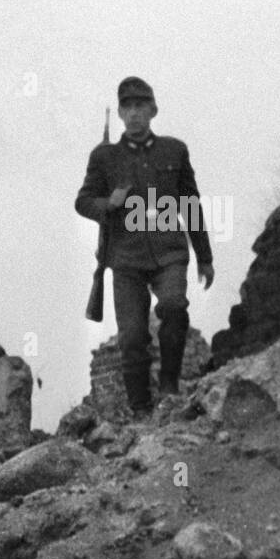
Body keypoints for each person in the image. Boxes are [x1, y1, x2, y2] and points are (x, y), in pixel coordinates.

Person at [75, 76, 216, 417]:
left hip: (170, 251)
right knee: (133, 336)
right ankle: (140, 410)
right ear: (121, 114)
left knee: (173, 306)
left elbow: (191, 204)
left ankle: (169, 386)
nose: (135, 114)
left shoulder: (174, 150)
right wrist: (108, 203)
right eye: (128, 107)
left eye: (141, 106)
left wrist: (205, 257)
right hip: (126, 258)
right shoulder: (105, 157)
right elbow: (83, 202)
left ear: (153, 110)